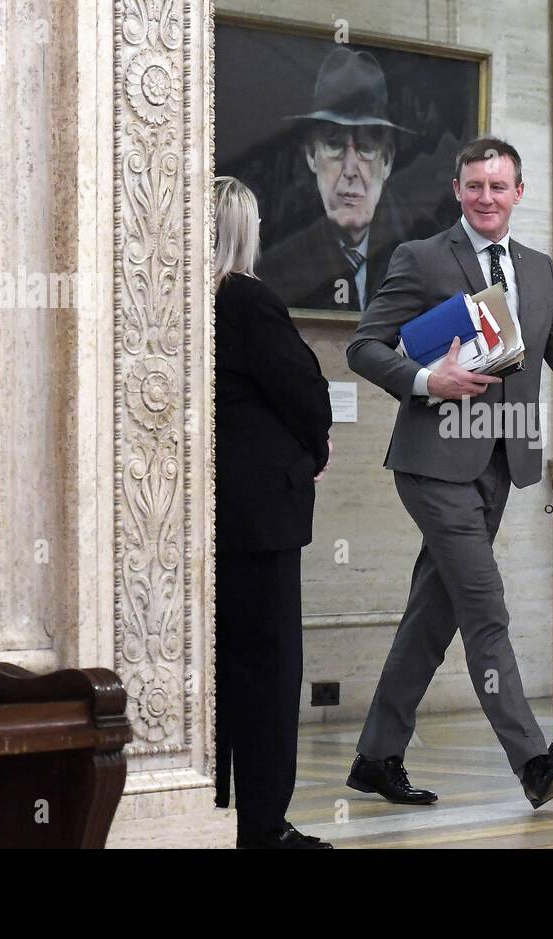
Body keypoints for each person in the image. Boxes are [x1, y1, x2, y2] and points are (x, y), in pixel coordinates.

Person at [344, 137, 553, 809]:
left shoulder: (538, 269)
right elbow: (363, 345)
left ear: (518, 192)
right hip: (433, 465)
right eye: (474, 186)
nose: (486, 198)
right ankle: (531, 758)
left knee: (433, 617)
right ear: (458, 189)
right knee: (486, 608)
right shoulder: (423, 258)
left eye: (498, 186)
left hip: (500, 465)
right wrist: (425, 377)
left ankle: (377, 755)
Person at [213, 176, 334, 848]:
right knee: (268, 670)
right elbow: (306, 390)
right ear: (243, 230)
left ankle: (211, 808)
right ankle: (263, 825)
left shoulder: (179, 303)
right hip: (258, 521)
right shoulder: (247, 298)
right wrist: (318, 444)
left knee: (216, 673)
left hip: (205, 518)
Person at [267, 46, 411, 312]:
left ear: (387, 161)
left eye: (366, 148)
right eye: (334, 145)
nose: (350, 169)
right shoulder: (278, 266)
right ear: (311, 154)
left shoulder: (413, 260)